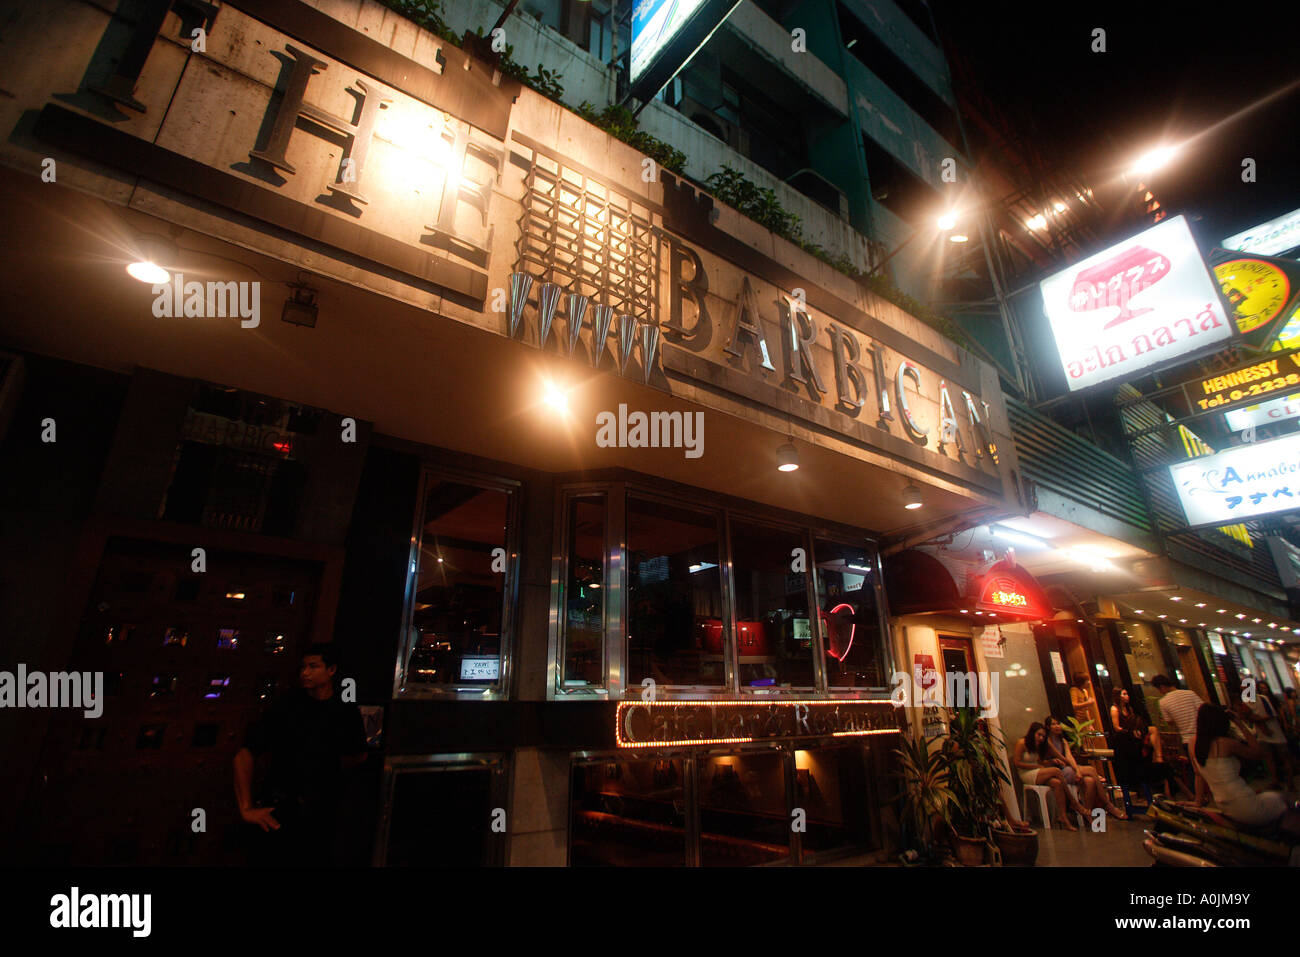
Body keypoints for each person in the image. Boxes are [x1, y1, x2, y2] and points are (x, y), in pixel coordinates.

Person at [233, 642, 367, 866]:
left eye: (313, 666)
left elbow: (358, 754)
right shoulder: (287, 706)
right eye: (303, 667)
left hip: (321, 815)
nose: (305, 673)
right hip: (281, 807)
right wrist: (246, 808)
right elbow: (244, 755)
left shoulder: (344, 710)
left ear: (331, 670)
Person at [1191, 704, 1294, 830]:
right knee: (1286, 799)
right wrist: (1239, 723)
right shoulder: (1224, 744)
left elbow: (1198, 774)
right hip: (1246, 805)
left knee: (1272, 797)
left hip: (1224, 806)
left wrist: (1197, 801)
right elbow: (1259, 753)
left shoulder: (1193, 744)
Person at [1043, 714, 1126, 820]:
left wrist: (1077, 770)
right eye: (1053, 724)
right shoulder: (1048, 742)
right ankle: (1108, 804)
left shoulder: (1063, 741)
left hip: (1069, 768)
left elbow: (1069, 757)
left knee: (1090, 781)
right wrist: (1076, 769)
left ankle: (1087, 812)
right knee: (1091, 770)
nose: (1057, 726)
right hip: (1059, 771)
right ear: (1048, 727)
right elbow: (1062, 758)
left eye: (1058, 723)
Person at [1013, 722, 1090, 831]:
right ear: (1032, 732)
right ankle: (1073, 802)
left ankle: (1063, 816)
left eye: (1043, 736)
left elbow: (1040, 762)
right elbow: (1016, 763)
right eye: (1039, 734)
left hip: (1037, 771)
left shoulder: (1039, 745)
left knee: (1057, 783)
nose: (1041, 738)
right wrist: (1035, 766)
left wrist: (1051, 761)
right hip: (1025, 773)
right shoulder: (1022, 743)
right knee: (1056, 771)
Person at [1149, 675, 1208, 804]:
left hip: (1187, 738)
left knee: (1194, 769)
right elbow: (1204, 710)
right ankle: (1206, 795)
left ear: (1162, 687)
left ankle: (1197, 797)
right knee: (1208, 765)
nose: (1160, 692)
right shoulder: (1190, 693)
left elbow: (1169, 721)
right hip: (1204, 735)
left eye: (1159, 689)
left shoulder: (1163, 702)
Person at [1110, 687, 1155, 816]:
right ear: (1118, 696)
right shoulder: (1115, 709)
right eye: (1124, 694)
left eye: (1127, 693)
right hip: (1123, 743)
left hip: (1134, 742)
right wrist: (1129, 731)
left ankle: (1144, 794)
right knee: (1127, 770)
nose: (1127, 696)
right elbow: (1116, 727)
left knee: (1139, 768)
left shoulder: (1130, 709)